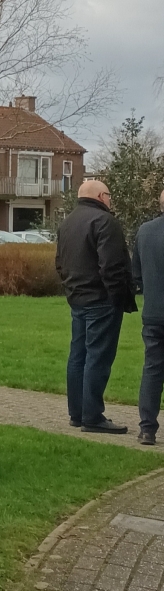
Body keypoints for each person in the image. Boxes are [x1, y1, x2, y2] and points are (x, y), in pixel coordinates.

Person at [56, 177, 136, 435]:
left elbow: (60, 262)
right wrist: (117, 297)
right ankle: (92, 416)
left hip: (77, 298)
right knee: (98, 357)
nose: (110, 200)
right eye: (109, 195)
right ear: (101, 197)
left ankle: (77, 413)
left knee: (78, 355)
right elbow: (111, 265)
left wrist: (71, 287)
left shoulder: (67, 222)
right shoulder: (105, 221)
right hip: (101, 300)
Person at [132, 190, 164, 446]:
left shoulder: (144, 231)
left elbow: (137, 274)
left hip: (153, 312)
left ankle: (147, 429)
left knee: (152, 369)